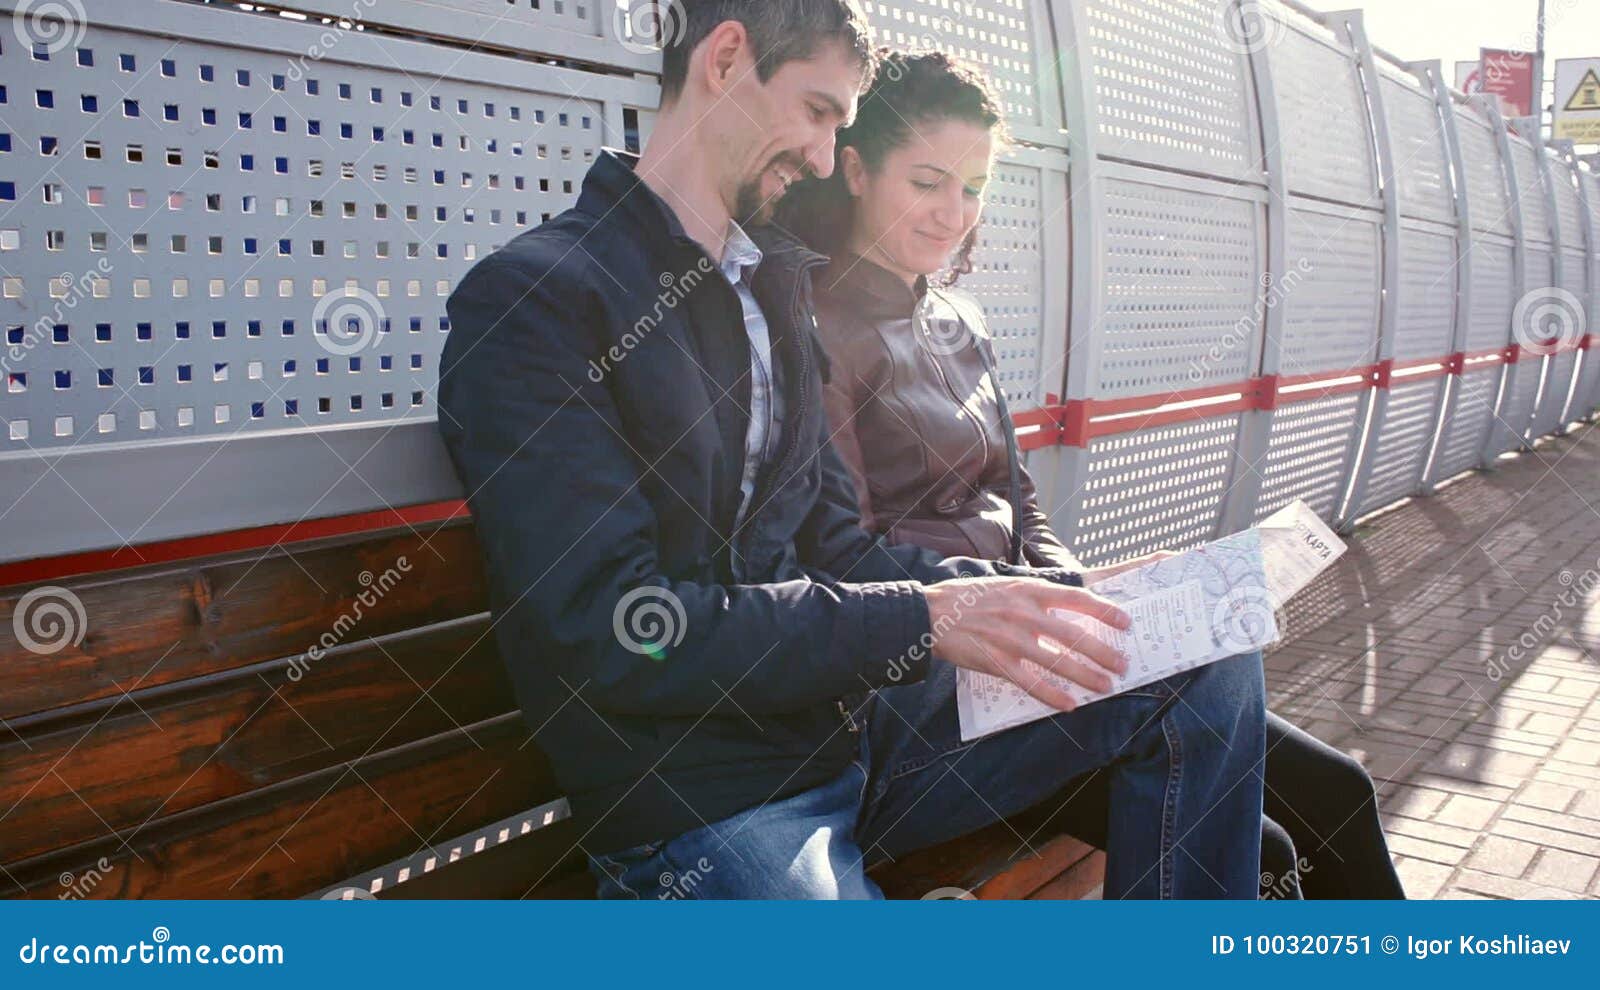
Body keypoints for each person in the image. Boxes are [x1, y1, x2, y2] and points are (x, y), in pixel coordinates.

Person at [437, 0, 1266, 899]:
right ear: (724, 59)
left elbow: (834, 544)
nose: (827, 158)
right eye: (820, 111)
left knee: (1204, 658)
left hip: (856, 737)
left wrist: (1036, 603)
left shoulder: (770, 289)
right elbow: (614, 628)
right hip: (704, 797)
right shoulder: (539, 299)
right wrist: (923, 618)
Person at [778, 48, 1404, 899]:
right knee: (1242, 767)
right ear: (854, 169)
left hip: (1019, 668)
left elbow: (1020, 501)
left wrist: (1074, 585)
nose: (952, 213)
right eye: (926, 182)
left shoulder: (957, 318)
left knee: (1337, 791)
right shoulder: (810, 328)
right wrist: (1025, 604)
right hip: (918, 694)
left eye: (972, 187)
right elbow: (840, 552)